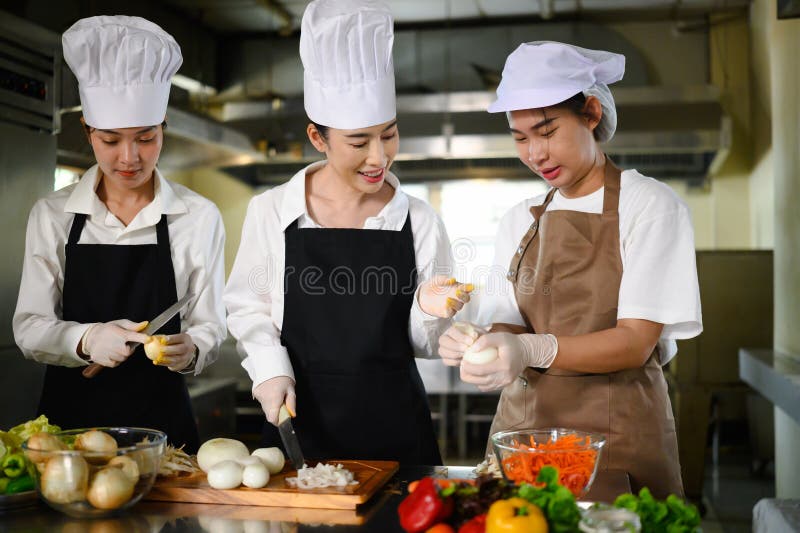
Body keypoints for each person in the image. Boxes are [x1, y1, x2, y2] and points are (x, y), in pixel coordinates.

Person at [438, 41, 702, 497]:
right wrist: (480, 343)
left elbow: (635, 342)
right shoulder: (519, 219)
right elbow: (511, 328)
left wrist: (531, 351)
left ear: (592, 114)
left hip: (619, 437)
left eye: (546, 131)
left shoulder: (650, 206)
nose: (534, 153)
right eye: (520, 137)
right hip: (521, 437)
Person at [224, 0, 468, 465]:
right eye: (359, 141)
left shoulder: (418, 219)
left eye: (389, 134)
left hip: (398, 435)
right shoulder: (273, 210)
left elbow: (428, 344)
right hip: (295, 425)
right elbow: (247, 309)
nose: (379, 157)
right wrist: (268, 371)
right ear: (318, 138)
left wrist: (429, 309)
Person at [13, 16, 226, 453]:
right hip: (70, 436)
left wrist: (193, 349)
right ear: (89, 134)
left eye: (145, 138)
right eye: (111, 140)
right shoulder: (53, 214)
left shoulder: (199, 216)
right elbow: (29, 327)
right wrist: (86, 339)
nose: (129, 157)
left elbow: (211, 324)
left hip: (165, 438)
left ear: (163, 128)